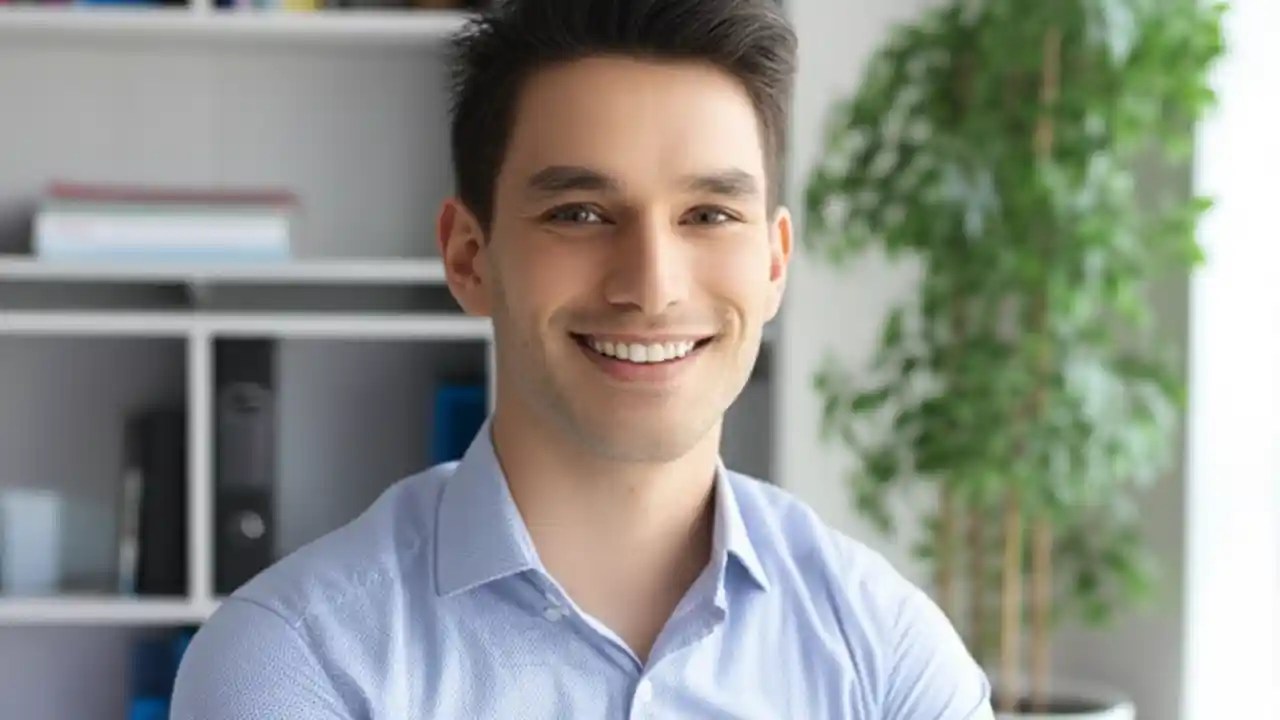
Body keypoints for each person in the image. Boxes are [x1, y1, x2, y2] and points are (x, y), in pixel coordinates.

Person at [170, 0, 994, 717]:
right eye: (581, 213)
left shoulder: (888, 657)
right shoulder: (296, 663)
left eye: (708, 215)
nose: (651, 286)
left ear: (774, 264)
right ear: (469, 257)